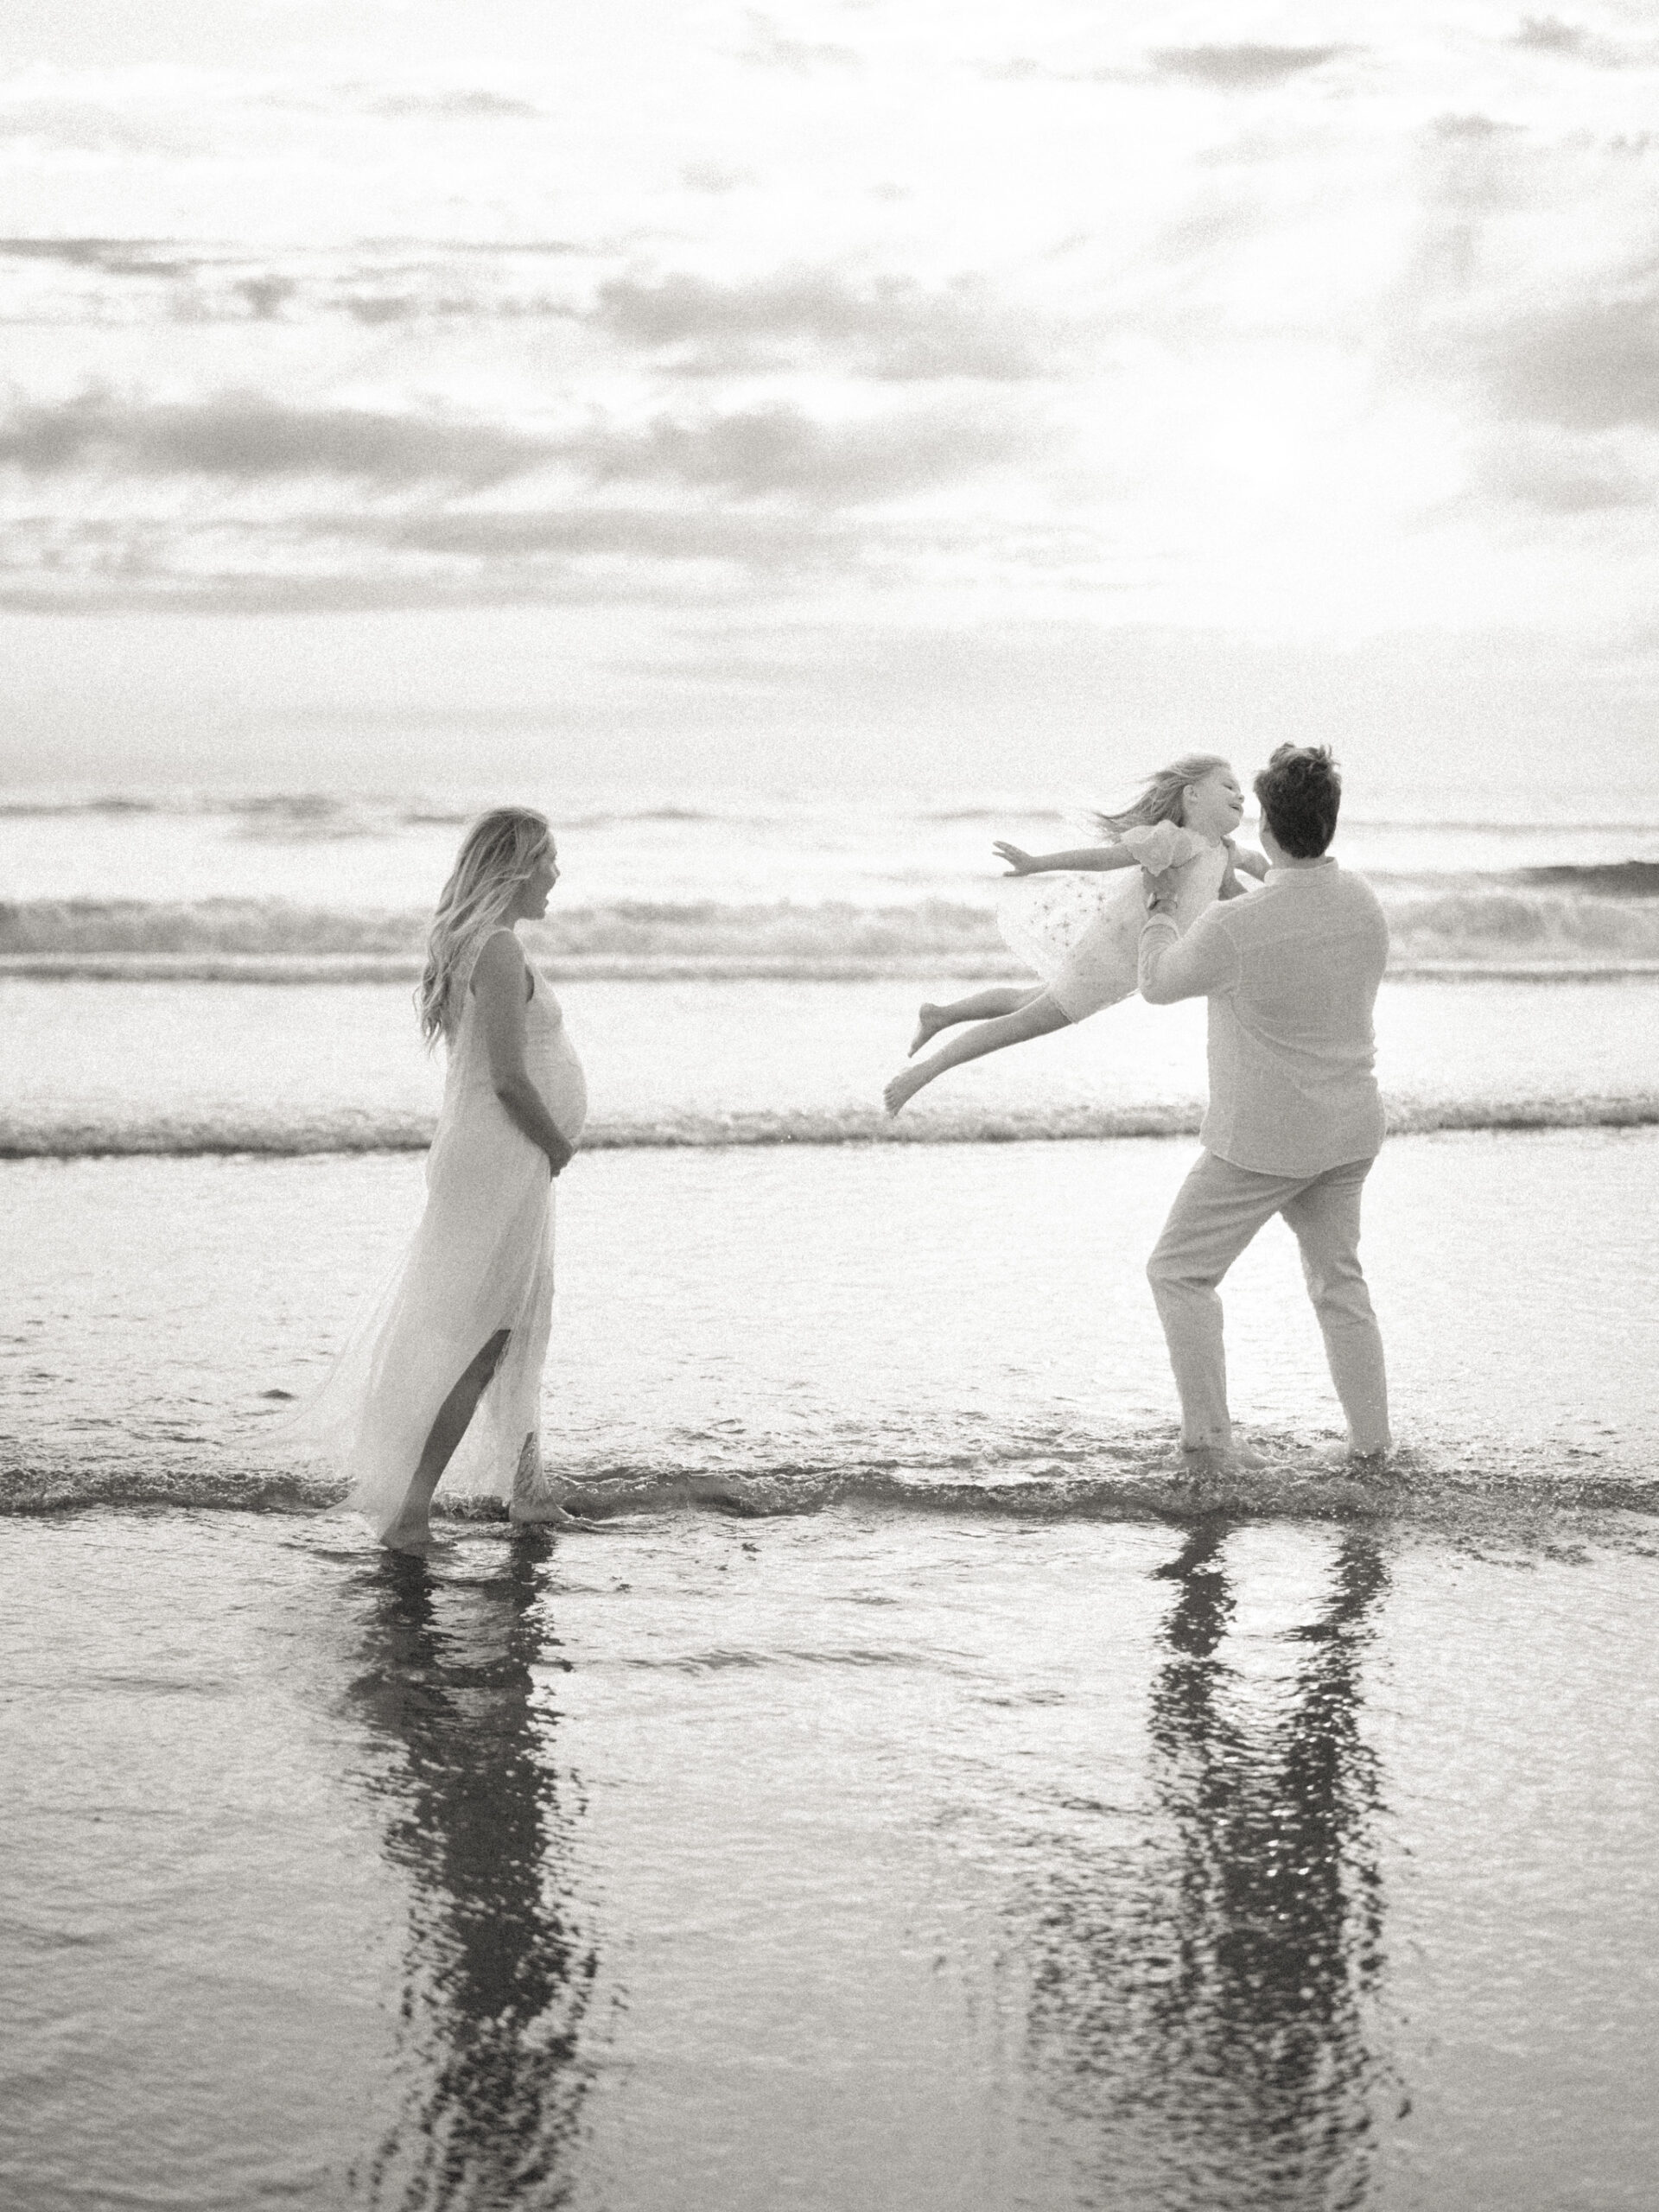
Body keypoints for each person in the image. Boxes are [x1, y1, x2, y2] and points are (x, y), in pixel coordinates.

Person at [279, 808, 587, 1548]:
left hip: (497, 1155)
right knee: (482, 1335)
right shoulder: (501, 949)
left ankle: (528, 1491)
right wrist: (557, 1146)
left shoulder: (476, 944)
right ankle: (410, 1513)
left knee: (509, 1328)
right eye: (548, 860)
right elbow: (509, 1080)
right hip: (506, 1153)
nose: (556, 875)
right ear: (517, 865)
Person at [1138, 745, 1390, 1471]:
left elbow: (1157, 983)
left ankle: (1209, 1440)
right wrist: (1246, 874)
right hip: (1348, 1128)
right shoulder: (1360, 900)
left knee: (1178, 1272)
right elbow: (1285, 925)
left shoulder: (1234, 928)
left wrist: (1160, 906)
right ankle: (1373, 1446)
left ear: (1270, 828)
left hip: (1265, 1140)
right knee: (1339, 1284)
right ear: (1327, 824)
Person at [883, 757, 1267, 1116]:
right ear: (1192, 795)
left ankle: (940, 1015)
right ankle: (923, 1074)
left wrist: (1290, 895)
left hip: (1125, 965)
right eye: (1228, 786)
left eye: (1240, 791)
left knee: (1025, 1001)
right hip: (1106, 961)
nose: (1239, 795)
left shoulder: (1225, 851)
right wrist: (1037, 864)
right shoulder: (1174, 841)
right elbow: (1106, 859)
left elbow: (1251, 882)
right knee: (1019, 1025)